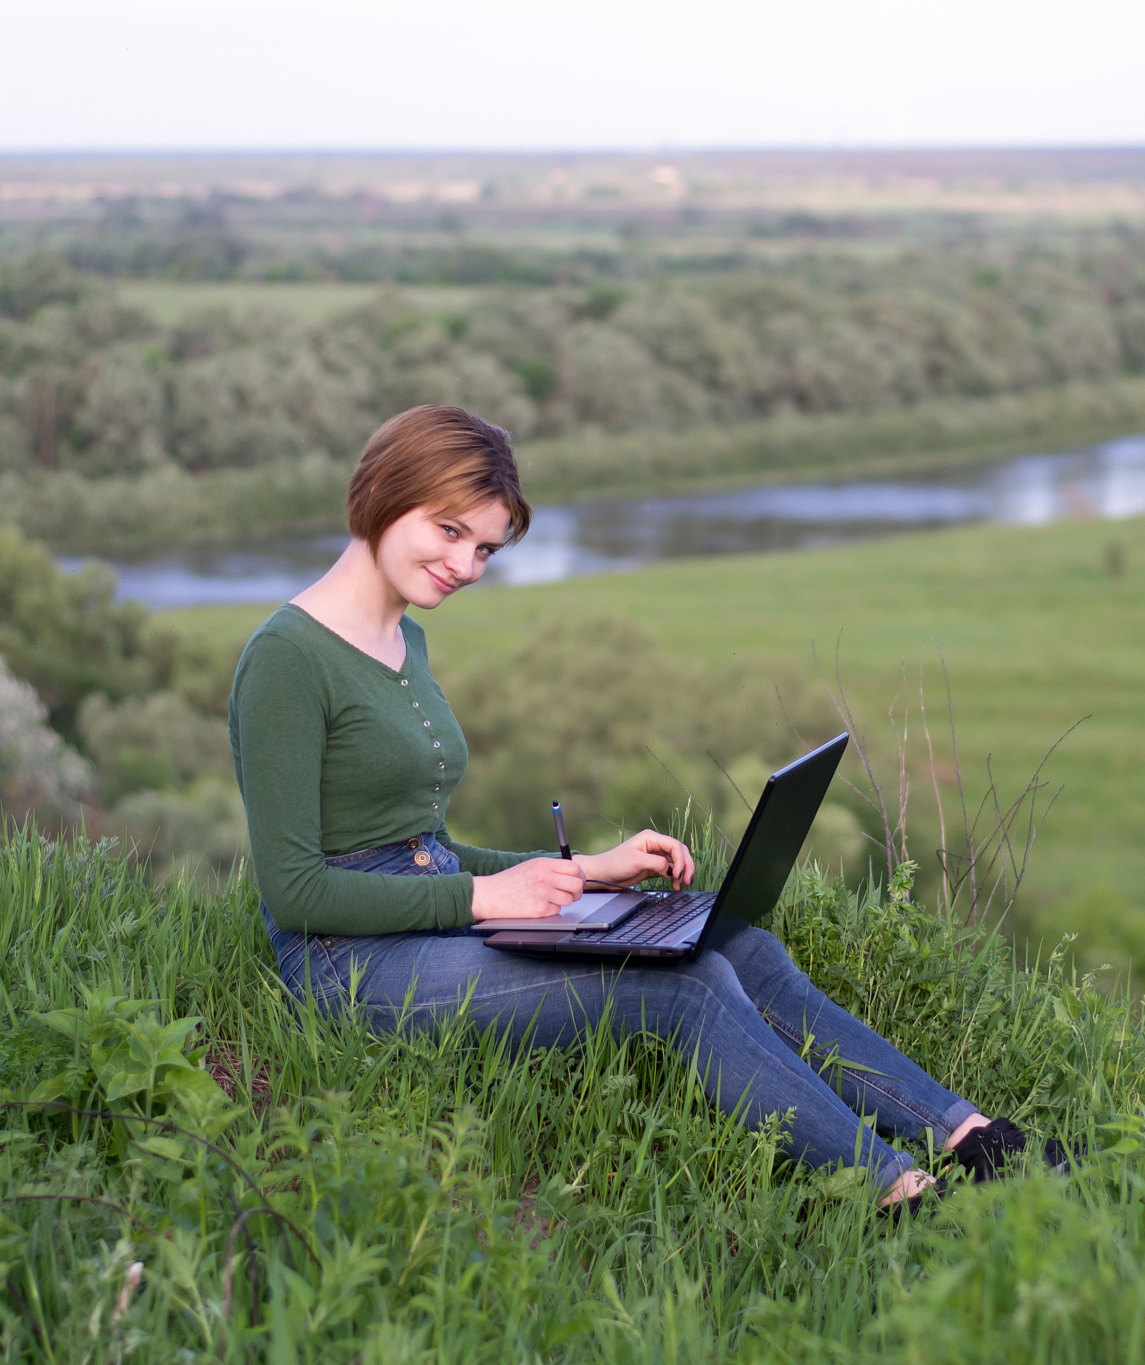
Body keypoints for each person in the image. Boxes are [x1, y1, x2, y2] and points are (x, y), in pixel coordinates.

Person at [229, 405, 1069, 1211]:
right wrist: (485, 898)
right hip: (348, 965)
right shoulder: (287, 659)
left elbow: (426, 848)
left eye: (485, 547)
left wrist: (586, 869)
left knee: (731, 937)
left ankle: (969, 1135)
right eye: (449, 532)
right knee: (680, 988)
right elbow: (297, 890)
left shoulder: (402, 636)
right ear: (382, 494)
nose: (466, 565)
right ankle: (897, 1191)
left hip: (426, 915)